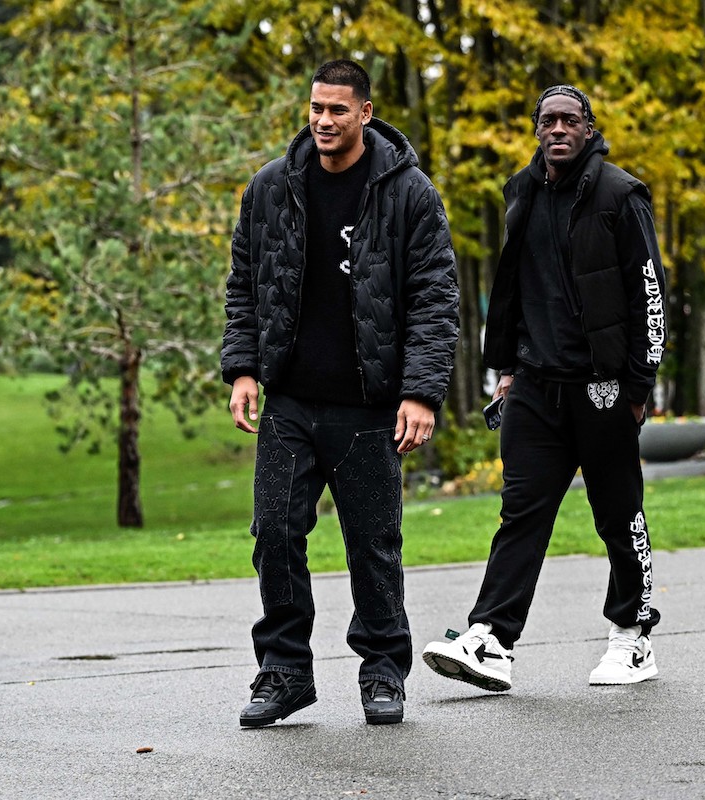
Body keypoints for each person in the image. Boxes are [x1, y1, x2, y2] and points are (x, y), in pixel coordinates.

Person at [221, 59, 459, 726]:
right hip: (290, 402)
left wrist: (421, 393)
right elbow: (245, 283)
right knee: (274, 534)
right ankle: (284, 671)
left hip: (368, 406)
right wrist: (242, 369)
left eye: (337, 110)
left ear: (365, 112)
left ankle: (384, 671)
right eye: (316, 108)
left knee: (373, 544)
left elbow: (436, 300)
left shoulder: (409, 193)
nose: (324, 121)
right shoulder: (272, 188)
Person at [422, 85, 667, 691]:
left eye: (569, 120)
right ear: (536, 130)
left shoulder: (620, 194)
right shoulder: (521, 191)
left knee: (618, 515)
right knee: (520, 513)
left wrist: (638, 384)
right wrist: (504, 366)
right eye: (548, 120)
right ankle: (492, 640)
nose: (558, 129)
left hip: (603, 388)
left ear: (588, 128)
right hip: (533, 385)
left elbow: (651, 293)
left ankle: (632, 637)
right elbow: (513, 286)